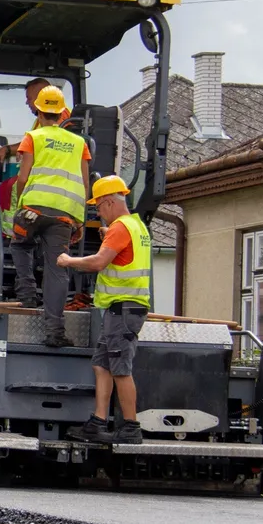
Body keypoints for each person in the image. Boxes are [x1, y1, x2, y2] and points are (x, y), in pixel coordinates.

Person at [58, 175, 152, 444]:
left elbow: (99, 262)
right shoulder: (136, 226)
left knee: (121, 368)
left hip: (124, 309)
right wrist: (108, 237)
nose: (98, 212)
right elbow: (122, 254)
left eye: (98, 207)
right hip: (119, 308)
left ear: (110, 202)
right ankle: (98, 422)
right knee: (102, 365)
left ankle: (131, 427)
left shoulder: (120, 228)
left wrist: (68, 260)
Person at [10, 85, 91, 348]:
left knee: (20, 244)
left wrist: (21, 203)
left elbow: (22, 176)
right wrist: (79, 219)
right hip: (65, 216)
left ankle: (27, 294)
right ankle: (55, 332)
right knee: (58, 270)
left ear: (40, 109)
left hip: (33, 210)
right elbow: (86, 183)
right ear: (61, 111)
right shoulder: (80, 143)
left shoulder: (33, 137)